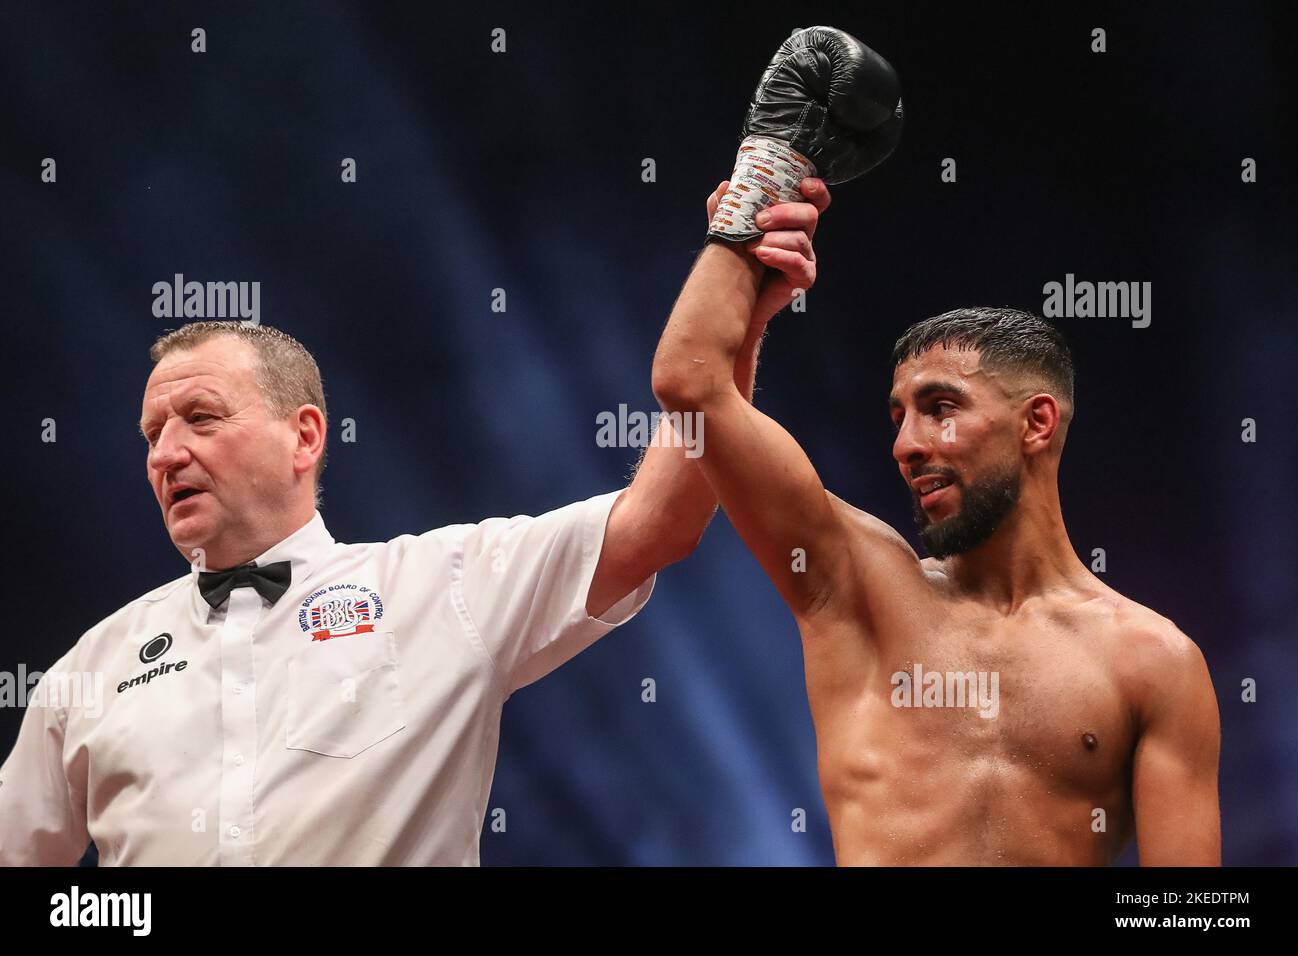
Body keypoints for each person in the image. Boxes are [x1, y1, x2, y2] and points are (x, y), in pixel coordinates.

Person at [0, 182, 828, 866]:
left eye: (200, 417)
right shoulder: (94, 666)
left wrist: (735, 320)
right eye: (152, 434)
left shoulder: (444, 585)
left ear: (305, 436)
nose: (166, 453)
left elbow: (659, 522)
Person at [653, 212, 1222, 866]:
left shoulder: (1154, 663)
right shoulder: (857, 589)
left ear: (1035, 423)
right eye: (899, 417)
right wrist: (753, 206)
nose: (906, 445)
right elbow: (690, 385)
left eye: (940, 409)